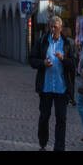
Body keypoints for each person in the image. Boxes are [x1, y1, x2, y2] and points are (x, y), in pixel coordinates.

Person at [29, 15, 75, 151]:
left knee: (61, 118)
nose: (52, 29)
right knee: (44, 117)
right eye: (51, 26)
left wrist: (63, 59)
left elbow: (73, 64)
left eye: (55, 27)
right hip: (46, 87)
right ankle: (43, 143)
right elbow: (31, 59)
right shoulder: (42, 41)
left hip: (61, 87)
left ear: (61, 28)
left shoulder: (68, 43)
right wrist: (42, 63)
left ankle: (59, 147)